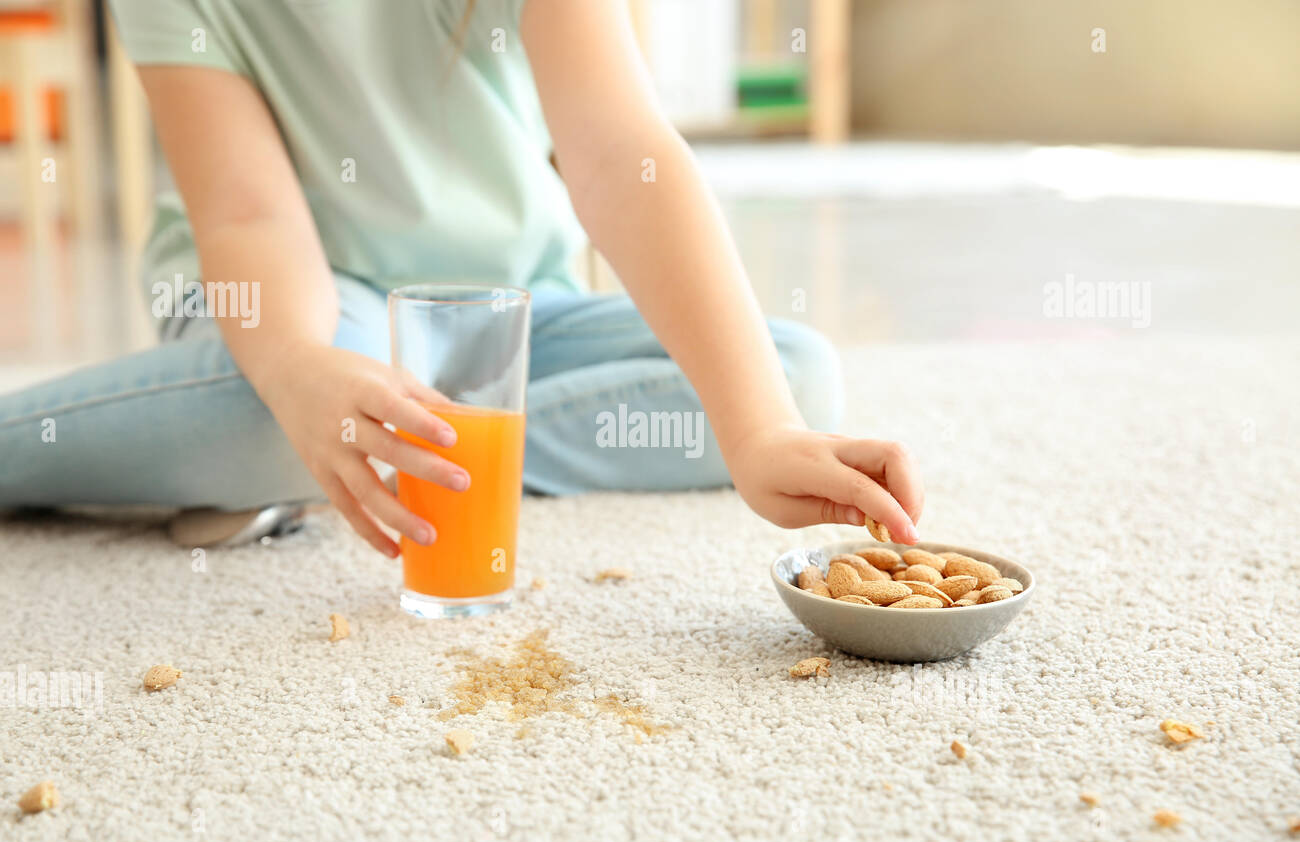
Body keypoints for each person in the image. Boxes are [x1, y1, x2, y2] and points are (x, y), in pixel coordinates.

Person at [0, 0, 923, 555]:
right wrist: (293, 370)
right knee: (294, 418)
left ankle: (402, 456)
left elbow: (619, 152)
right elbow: (250, 217)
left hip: (509, 300)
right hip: (303, 292)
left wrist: (759, 431)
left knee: (791, 376)